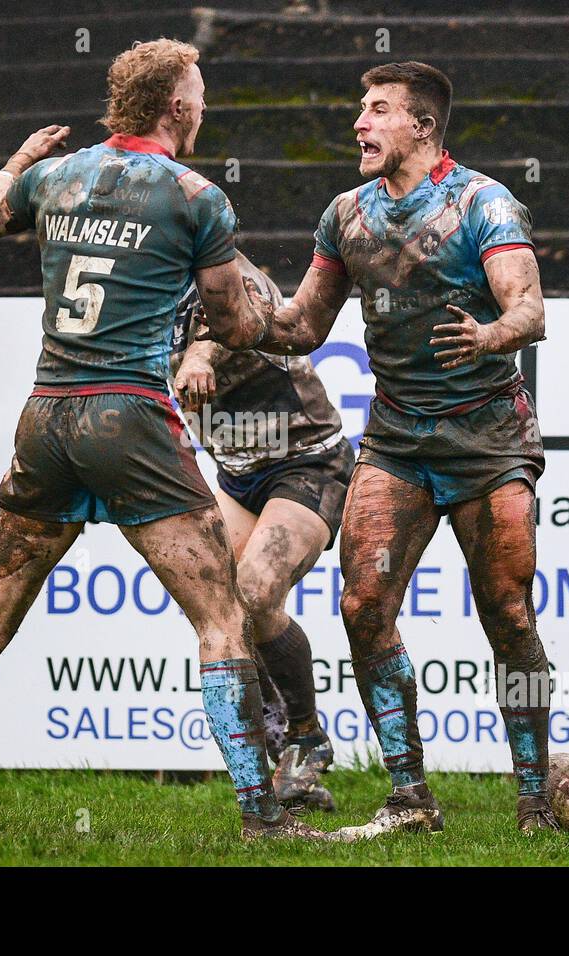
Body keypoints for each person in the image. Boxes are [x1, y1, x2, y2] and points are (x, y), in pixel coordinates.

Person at [0, 39, 326, 842]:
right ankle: (264, 818)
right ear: (177, 108)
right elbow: (231, 324)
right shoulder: (196, 196)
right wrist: (271, 318)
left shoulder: (57, 176)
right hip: (130, 419)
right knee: (221, 619)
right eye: (201, 95)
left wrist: (18, 155)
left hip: (47, 414)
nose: (205, 108)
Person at [221, 61, 560, 836]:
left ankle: (534, 797)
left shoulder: (483, 202)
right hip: (398, 440)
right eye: (360, 110)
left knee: (507, 614)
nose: (359, 125)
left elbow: (530, 310)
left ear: (423, 125)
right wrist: (238, 324)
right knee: (362, 605)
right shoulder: (346, 213)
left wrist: (489, 334)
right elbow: (304, 325)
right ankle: (411, 797)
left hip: (489, 442)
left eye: (376, 111)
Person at [171, 250, 355, 813]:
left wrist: (201, 352)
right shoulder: (136, 284)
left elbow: (254, 308)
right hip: (238, 472)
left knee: (256, 591)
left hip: (307, 460)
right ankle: (287, 766)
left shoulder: (220, 264)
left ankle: (306, 736)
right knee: (222, 610)